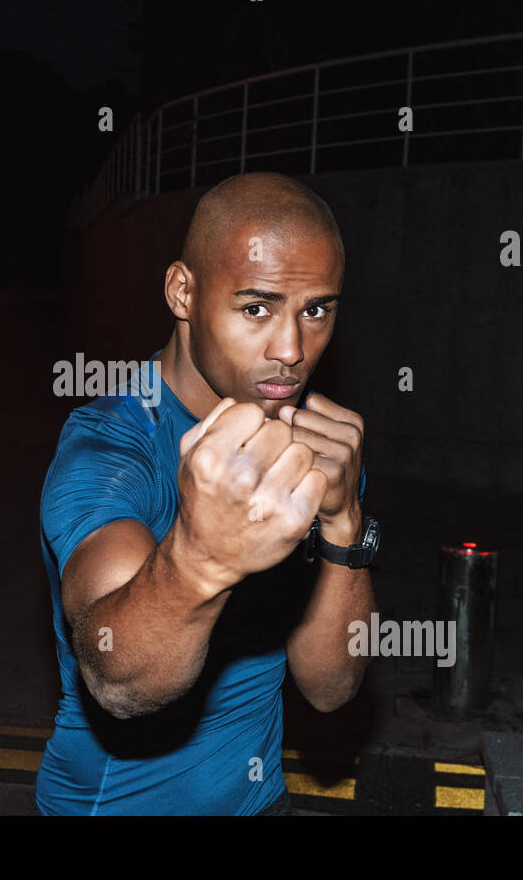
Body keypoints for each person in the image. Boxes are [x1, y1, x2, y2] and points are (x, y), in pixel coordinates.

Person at [35, 172, 379, 815]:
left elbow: (331, 687)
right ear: (183, 291)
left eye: (316, 310)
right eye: (257, 307)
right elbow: (119, 682)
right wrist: (203, 561)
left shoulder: (313, 444)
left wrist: (343, 526)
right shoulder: (112, 450)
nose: (291, 350)